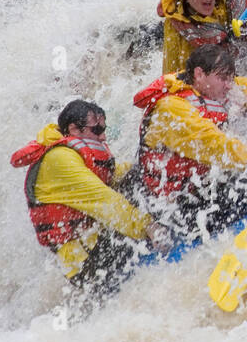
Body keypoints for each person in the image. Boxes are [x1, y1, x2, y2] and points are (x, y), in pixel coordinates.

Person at [128, 45, 247, 238]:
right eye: (223, 78)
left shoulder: (215, 90)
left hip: (200, 183)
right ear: (199, 74)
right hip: (174, 205)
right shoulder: (172, 109)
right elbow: (218, 146)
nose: (228, 85)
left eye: (230, 79)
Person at [10, 99, 169, 298]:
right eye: (96, 129)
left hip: (96, 243)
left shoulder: (72, 152)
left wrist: (157, 162)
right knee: (140, 211)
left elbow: (115, 175)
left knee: (140, 174)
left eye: (104, 129)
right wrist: (149, 227)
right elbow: (105, 201)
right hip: (85, 261)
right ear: (74, 129)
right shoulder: (58, 159)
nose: (103, 136)